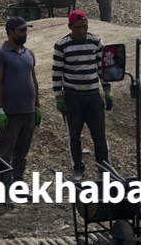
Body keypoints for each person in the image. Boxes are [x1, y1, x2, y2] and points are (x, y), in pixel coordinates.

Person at [53, 10, 113, 180]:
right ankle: (77, 167)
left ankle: (104, 166)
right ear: (70, 26)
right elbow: (57, 73)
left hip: (93, 95)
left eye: (84, 26)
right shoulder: (61, 45)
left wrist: (107, 91)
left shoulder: (96, 42)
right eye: (78, 27)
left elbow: (103, 69)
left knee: (99, 134)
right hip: (72, 97)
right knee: (74, 135)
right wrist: (59, 98)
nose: (82, 30)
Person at [0, 16, 41, 197]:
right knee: (6, 153)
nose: (24, 33)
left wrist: (37, 106)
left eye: (25, 30)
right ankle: (4, 191)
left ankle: (18, 188)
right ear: (10, 32)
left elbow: (33, 80)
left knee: (21, 153)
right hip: (10, 112)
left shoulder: (29, 53)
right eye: (21, 31)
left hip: (28, 111)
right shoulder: (0, 55)